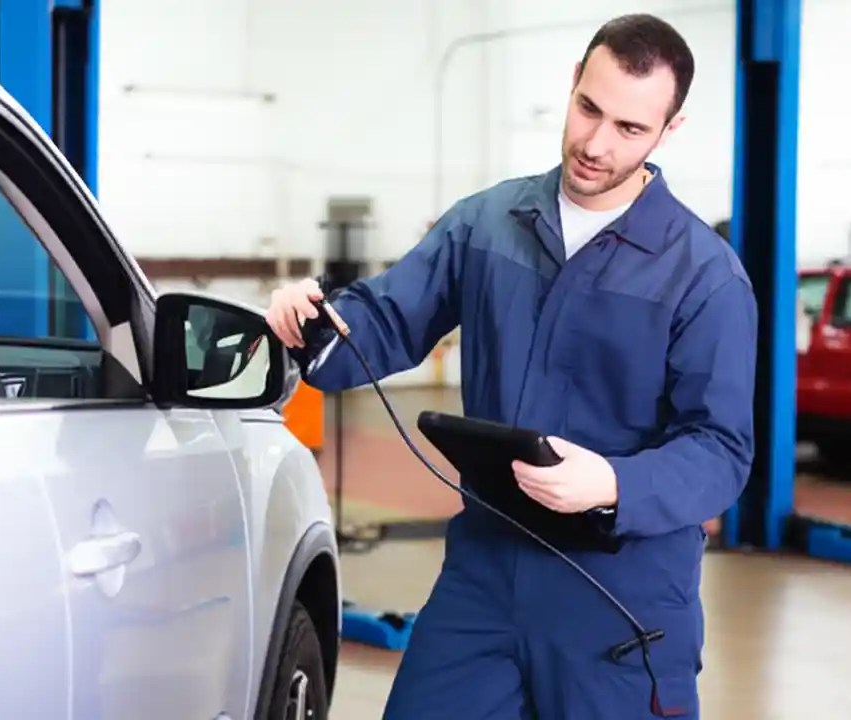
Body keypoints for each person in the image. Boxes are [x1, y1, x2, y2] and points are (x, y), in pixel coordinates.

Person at [268, 13, 757, 719]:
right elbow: (382, 323)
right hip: (486, 573)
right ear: (572, 84)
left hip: (620, 596)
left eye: (628, 128)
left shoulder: (703, 277)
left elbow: (721, 451)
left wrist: (615, 482)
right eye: (589, 108)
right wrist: (307, 323)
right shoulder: (486, 224)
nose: (595, 143)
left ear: (668, 132)